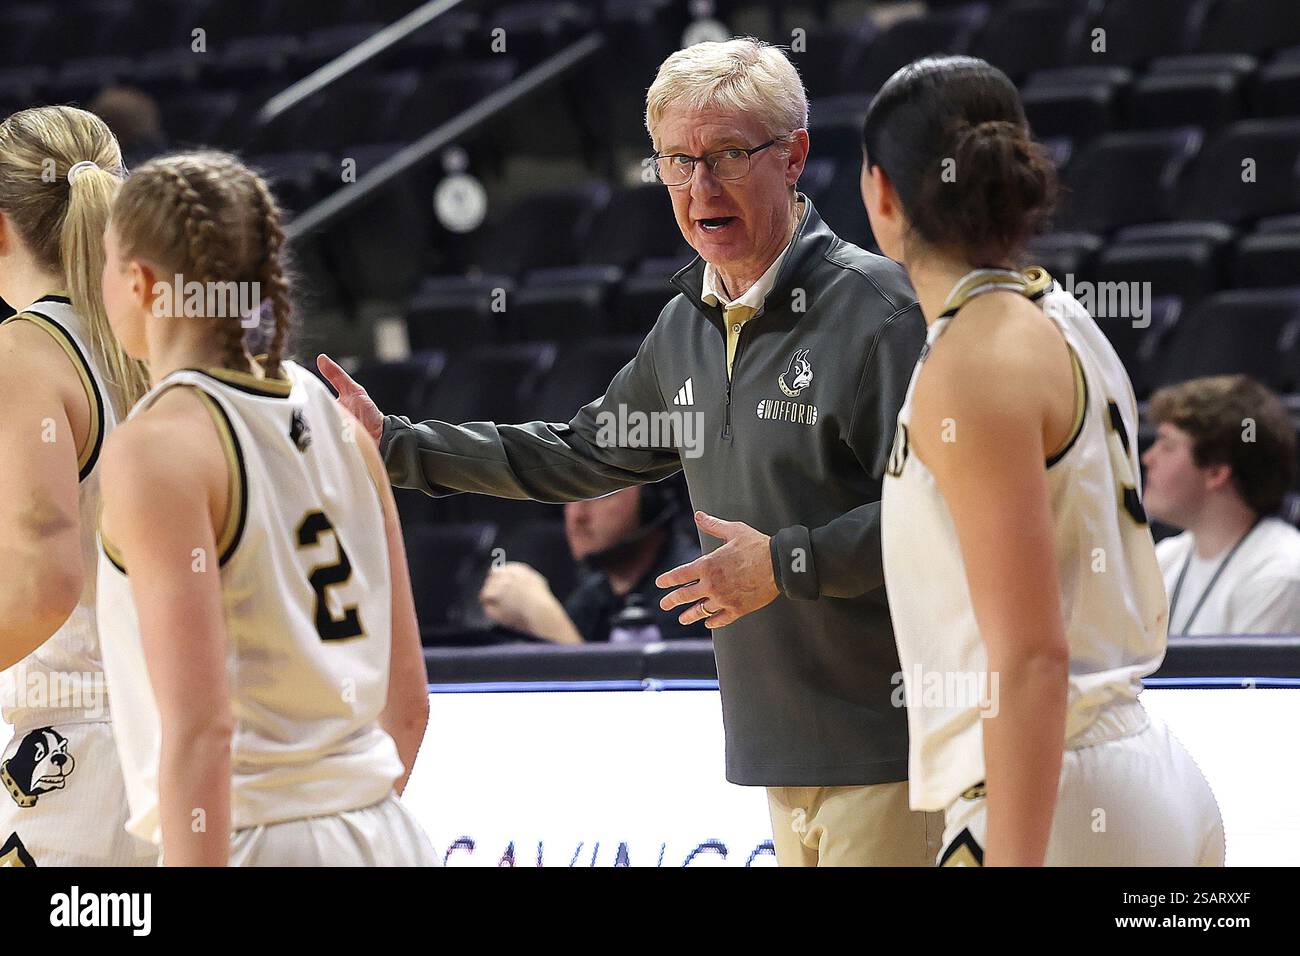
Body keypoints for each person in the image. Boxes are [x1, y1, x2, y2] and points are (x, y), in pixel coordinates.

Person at [320, 38, 941, 866]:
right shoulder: (686, 324)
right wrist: (397, 446)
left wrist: (785, 564)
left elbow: (938, 523)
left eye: (726, 155)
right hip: (776, 753)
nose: (699, 187)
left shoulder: (879, 313)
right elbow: (578, 454)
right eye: (677, 163)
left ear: (792, 156)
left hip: (893, 751)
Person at [868, 55, 1224, 866]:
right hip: (1142, 771)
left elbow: (1031, 656)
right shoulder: (1059, 315)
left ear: (881, 194)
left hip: (1053, 794)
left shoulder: (975, 357)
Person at [95, 150, 435, 866]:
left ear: (141, 282)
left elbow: (200, 733)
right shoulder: (344, 421)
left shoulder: (157, 447)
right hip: (385, 830)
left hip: (250, 840)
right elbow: (409, 704)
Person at [0, 105, 155, 867]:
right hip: (195, 740)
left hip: (81, 752)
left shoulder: (25, 352)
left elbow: (42, 588)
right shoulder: (166, 340)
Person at [1143, 374, 1300, 635]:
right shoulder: (1166, 558)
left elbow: (1247, 675)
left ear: (1216, 473)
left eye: (1167, 446)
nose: (1148, 458)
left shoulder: (1281, 572)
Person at [480, 483, 709, 644]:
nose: (577, 516)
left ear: (652, 501)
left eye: (600, 494)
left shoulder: (693, 588)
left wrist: (541, 615)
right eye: (570, 494)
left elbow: (633, 705)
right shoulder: (595, 592)